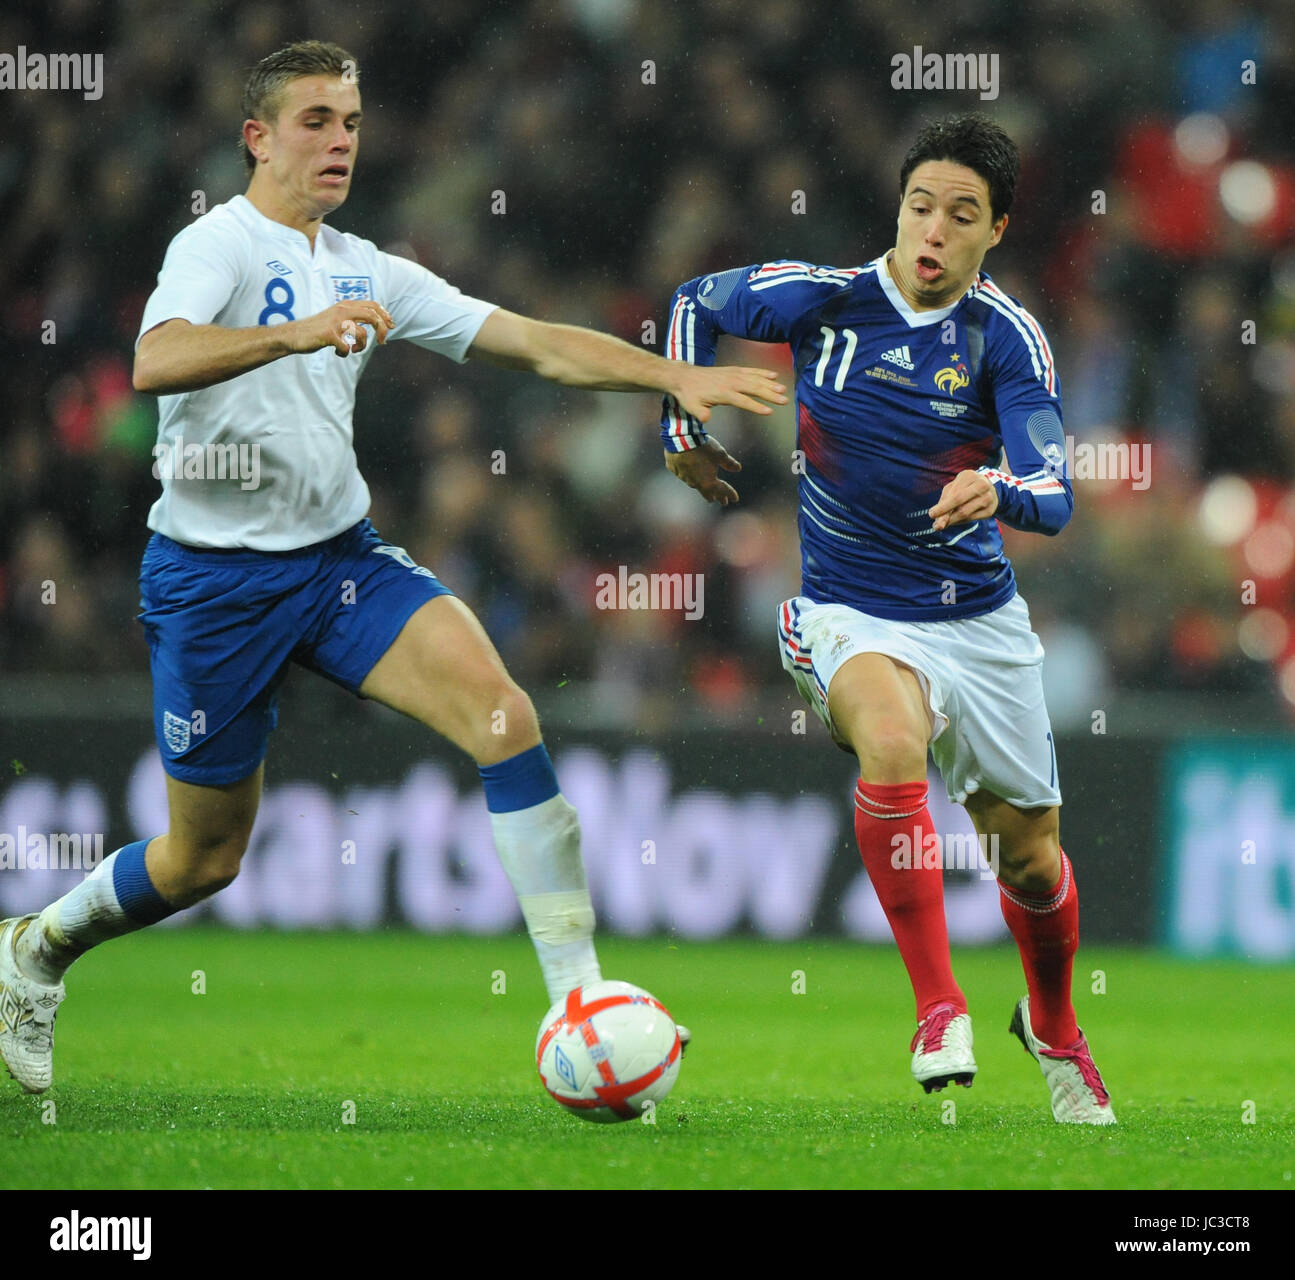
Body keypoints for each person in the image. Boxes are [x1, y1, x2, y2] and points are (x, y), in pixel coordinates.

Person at [0, 40, 785, 1095]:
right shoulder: (217, 245)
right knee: (203, 856)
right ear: (258, 137)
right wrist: (295, 336)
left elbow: (532, 343)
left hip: (337, 565)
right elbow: (156, 358)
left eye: (353, 123)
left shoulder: (368, 264)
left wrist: (673, 373)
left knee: (506, 716)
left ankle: (578, 996)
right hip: (214, 583)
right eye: (315, 121)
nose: (338, 143)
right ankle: (37, 948)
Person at [658, 113, 1115, 1124]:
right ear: (898, 210)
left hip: (978, 624)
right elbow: (695, 301)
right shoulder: (823, 301)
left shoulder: (1005, 337)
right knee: (893, 741)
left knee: (1030, 859)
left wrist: (995, 486)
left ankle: (1050, 1023)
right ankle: (935, 1003)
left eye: (961, 214)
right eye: (920, 205)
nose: (934, 230)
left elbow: (1053, 488)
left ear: (994, 229)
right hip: (850, 609)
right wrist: (680, 420)